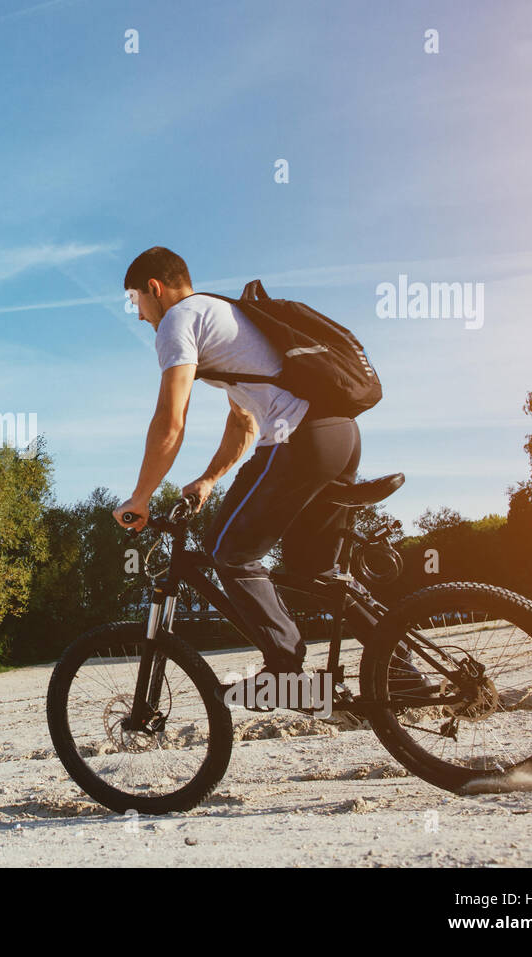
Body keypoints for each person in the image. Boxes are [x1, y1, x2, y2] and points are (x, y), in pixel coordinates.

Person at [112, 247, 362, 704]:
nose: (139, 314)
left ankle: (288, 673)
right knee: (318, 571)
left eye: (135, 301)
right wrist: (209, 479)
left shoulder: (178, 321)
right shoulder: (224, 316)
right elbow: (244, 422)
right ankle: (402, 667)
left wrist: (140, 497)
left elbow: (171, 420)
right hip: (339, 435)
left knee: (230, 552)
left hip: (300, 440)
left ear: (154, 288)